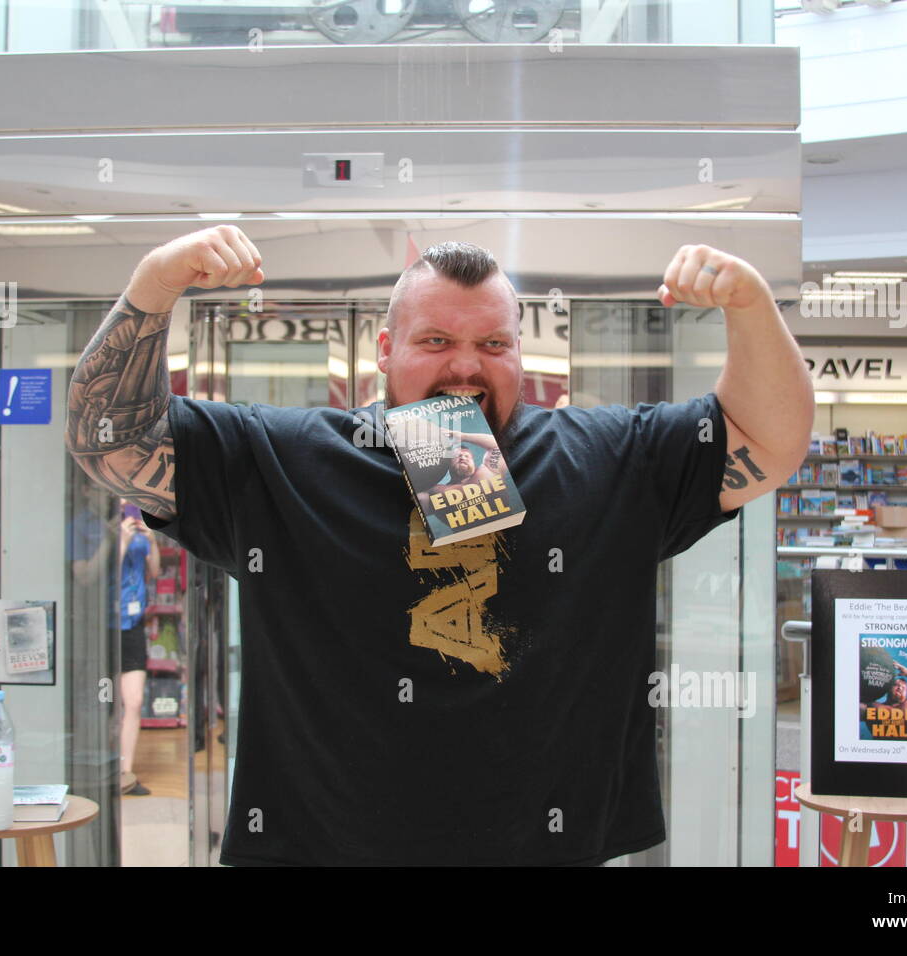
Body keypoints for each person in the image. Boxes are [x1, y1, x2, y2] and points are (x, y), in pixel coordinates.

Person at [66, 224, 814, 865]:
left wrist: (751, 307)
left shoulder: (608, 458)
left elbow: (768, 440)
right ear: (385, 349)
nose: (465, 364)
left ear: (519, 353)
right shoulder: (284, 457)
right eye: (436, 341)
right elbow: (112, 442)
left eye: (493, 343)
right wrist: (154, 285)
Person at [117, 499, 160, 796]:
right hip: (106, 624)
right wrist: (121, 541)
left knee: (133, 701)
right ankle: (106, 770)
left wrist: (152, 540)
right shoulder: (98, 529)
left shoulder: (139, 528)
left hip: (134, 623)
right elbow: (94, 578)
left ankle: (125, 772)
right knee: (107, 702)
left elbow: (153, 572)